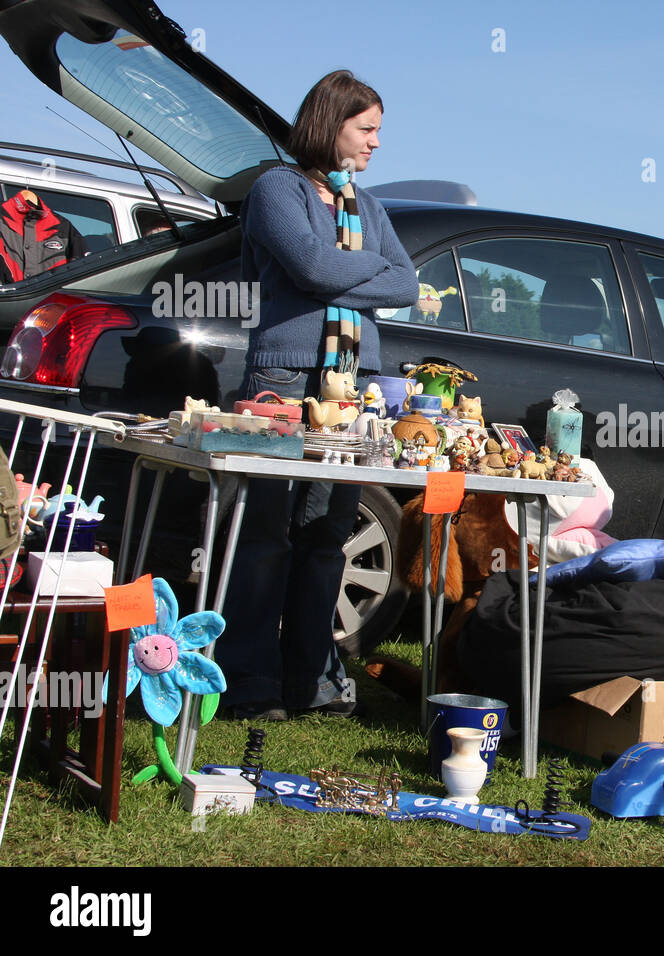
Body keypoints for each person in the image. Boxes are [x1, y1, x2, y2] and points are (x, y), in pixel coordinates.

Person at [215, 70, 417, 720]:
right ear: (331, 125)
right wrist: (358, 271)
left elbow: (407, 284)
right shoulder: (276, 188)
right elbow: (307, 266)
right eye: (368, 129)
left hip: (350, 388)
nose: (377, 143)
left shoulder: (370, 205)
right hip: (282, 382)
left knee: (326, 534)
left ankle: (314, 682)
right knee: (266, 535)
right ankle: (248, 681)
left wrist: (330, 272)